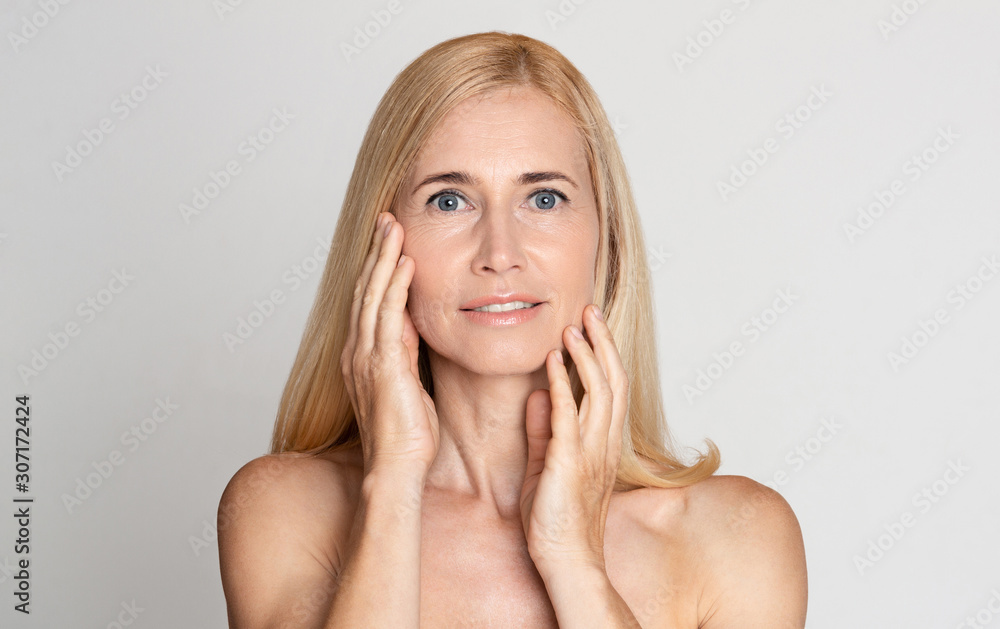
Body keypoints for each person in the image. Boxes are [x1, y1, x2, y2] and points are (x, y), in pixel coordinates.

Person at [217, 31, 807, 628]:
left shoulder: (736, 537)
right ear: (382, 242)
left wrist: (572, 560)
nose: (500, 253)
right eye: (449, 201)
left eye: (544, 199)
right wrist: (392, 479)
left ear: (606, 239)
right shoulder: (282, 510)